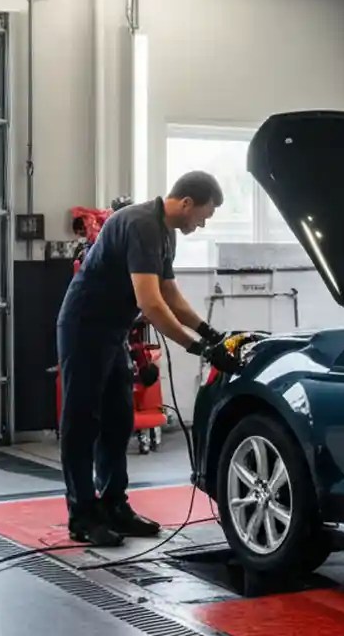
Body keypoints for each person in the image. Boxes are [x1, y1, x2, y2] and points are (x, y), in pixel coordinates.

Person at [56, 171, 242, 547]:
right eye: (203, 215)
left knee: (118, 418)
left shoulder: (166, 232)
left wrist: (211, 334)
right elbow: (151, 304)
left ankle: (113, 505)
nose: (202, 224)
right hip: (84, 327)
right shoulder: (140, 224)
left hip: (114, 331)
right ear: (186, 203)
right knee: (82, 421)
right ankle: (82, 515)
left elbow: (169, 293)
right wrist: (198, 349)